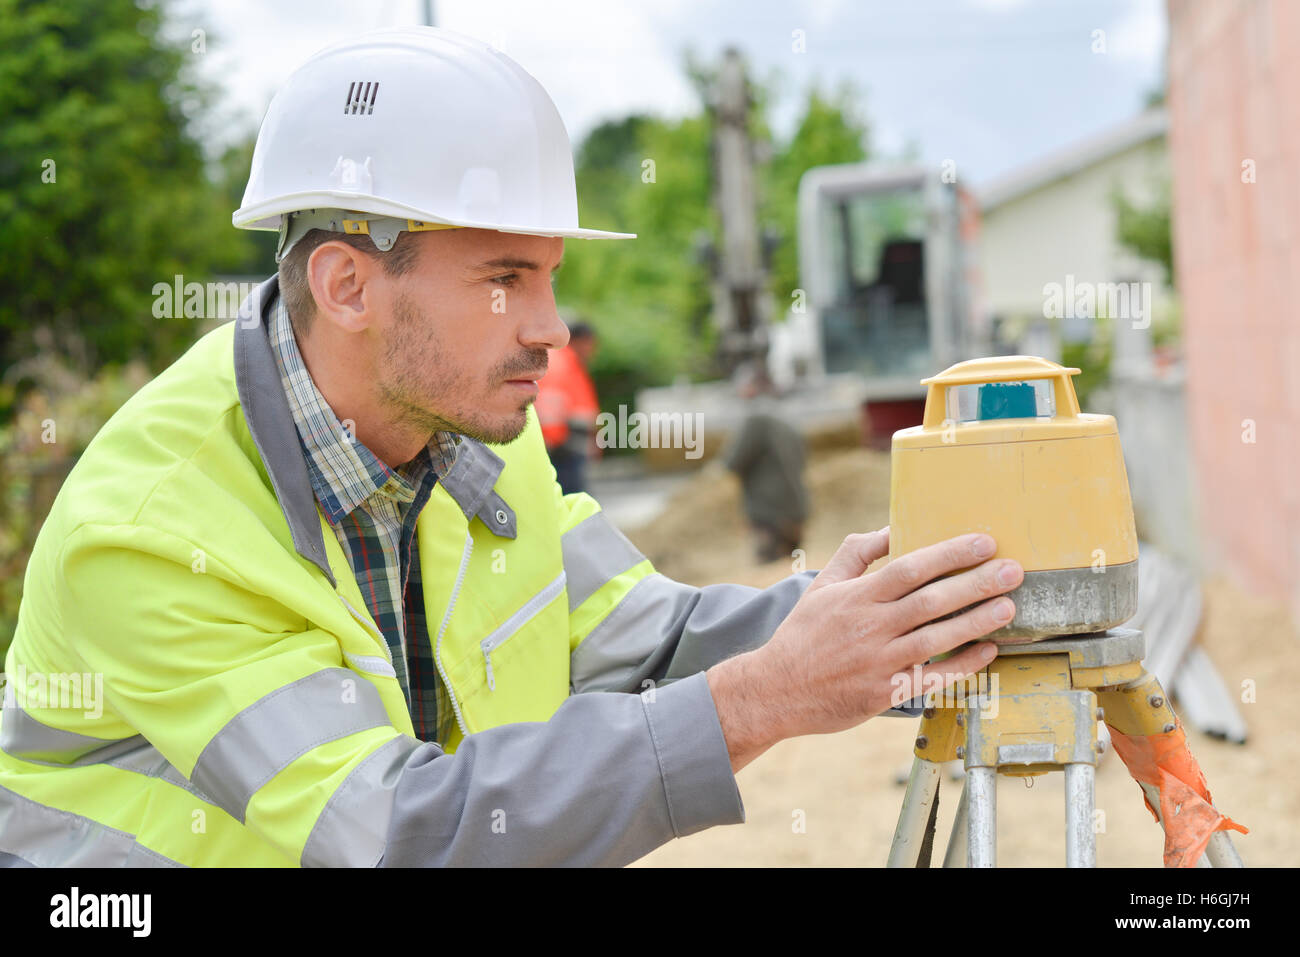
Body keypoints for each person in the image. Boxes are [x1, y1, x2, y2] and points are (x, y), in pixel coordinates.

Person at [0, 26, 1023, 867]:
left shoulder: (471, 435)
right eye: (504, 279)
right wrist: (763, 697)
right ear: (348, 287)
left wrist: (848, 618)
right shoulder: (151, 534)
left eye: (547, 276)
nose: (550, 328)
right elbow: (396, 835)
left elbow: (643, 643)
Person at [722, 363, 810, 563]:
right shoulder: (788, 417)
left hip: (769, 513)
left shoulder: (757, 418)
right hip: (796, 508)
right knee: (792, 576)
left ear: (752, 386)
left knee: (769, 578)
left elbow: (732, 462)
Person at [536, 321, 599, 494]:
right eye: (591, 345)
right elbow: (556, 407)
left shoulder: (559, 360)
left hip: (557, 446)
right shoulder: (563, 363)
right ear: (582, 341)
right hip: (563, 449)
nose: (592, 351)